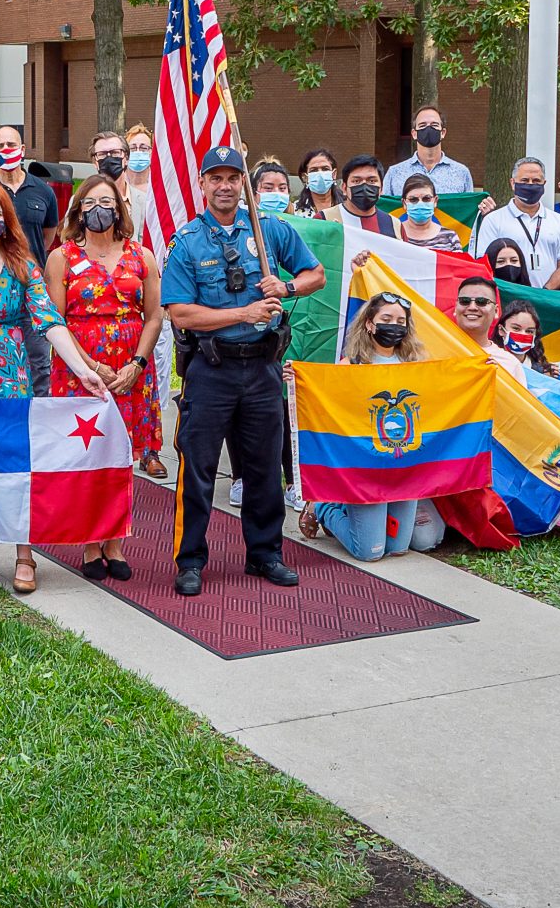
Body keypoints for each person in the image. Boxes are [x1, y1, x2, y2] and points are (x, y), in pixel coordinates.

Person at [0, 177, 116, 594]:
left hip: (13, 374)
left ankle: (24, 554)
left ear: (8, 220)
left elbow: (49, 321)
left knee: (18, 464)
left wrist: (82, 368)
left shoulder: (24, 265)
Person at [160, 146, 325, 597]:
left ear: (244, 185)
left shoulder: (270, 231)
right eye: (216, 178)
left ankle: (265, 553)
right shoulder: (188, 241)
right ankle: (190, 558)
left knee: (264, 467)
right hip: (212, 371)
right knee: (197, 468)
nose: (225, 186)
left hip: (263, 368)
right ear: (203, 184)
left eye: (233, 177)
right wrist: (243, 314)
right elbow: (181, 314)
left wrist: (286, 285)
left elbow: (316, 275)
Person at [45, 175, 162, 556]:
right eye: (91, 203)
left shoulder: (140, 255)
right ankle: (90, 544)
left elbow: (154, 317)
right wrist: (91, 364)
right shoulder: (62, 256)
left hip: (131, 368)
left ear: (120, 208)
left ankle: (115, 542)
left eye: (107, 202)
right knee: (88, 455)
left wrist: (137, 364)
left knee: (121, 457)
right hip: (82, 369)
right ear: (78, 210)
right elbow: (56, 319)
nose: (100, 210)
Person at [296, 293, 446, 563]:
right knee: (369, 552)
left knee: (398, 547)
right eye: (386, 319)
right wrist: (299, 380)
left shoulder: (415, 367)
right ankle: (324, 506)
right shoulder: (350, 366)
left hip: (403, 470)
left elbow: (443, 395)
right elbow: (325, 406)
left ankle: (344, 507)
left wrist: (482, 371)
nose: (394, 326)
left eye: (401, 321)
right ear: (369, 324)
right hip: (364, 471)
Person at [476, 158, 560, 288]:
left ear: (544, 183)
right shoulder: (493, 220)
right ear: (513, 183)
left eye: (536, 181)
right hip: (508, 297)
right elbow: (484, 264)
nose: (530, 185)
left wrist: (544, 293)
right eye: (524, 180)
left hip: (548, 298)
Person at [0, 124, 61, 263]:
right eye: (0, 146)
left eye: (11, 144)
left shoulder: (43, 191)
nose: (6, 149)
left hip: (32, 276)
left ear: (22, 150)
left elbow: (47, 237)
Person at [383, 105, 478, 196]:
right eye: (422, 125)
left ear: (443, 133)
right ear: (414, 134)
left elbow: (468, 209)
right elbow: (384, 210)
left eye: (434, 125)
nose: (428, 129)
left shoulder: (461, 173)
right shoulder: (394, 174)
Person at [396, 173, 465, 254]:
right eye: (413, 199)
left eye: (426, 198)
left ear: (435, 201)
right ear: (404, 203)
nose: (420, 203)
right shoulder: (393, 234)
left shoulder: (450, 237)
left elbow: (459, 266)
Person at [335, 154, 399, 236]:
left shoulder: (394, 225)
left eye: (372, 181)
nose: (364, 186)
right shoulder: (325, 219)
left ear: (381, 189)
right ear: (344, 188)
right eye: (356, 181)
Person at [493, 302, 550, 373]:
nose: (523, 334)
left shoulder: (540, 372)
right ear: (501, 330)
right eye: (516, 328)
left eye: (529, 331)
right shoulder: (490, 362)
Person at [290, 148, 343, 220]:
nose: (320, 174)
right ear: (305, 177)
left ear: (334, 174)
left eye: (325, 169)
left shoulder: (347, 207)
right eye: (313, 170)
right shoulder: (295, 211)